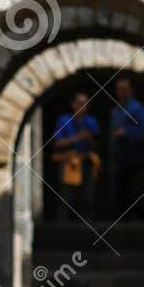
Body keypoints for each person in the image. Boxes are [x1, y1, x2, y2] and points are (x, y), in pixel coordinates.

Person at [51, 90, 100, 222]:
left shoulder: (91, 121)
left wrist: (89, 139)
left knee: (88, 196)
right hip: (69, 162)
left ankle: (87, 226)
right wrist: (77, 138)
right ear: (73, 104)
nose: (82, 106)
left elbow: (96, 143)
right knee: (66, 196)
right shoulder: (64, 120)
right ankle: (61, 227)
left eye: (85, 103)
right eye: (79, 103)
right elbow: (57, 143)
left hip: (86, 161)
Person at [110, 77, 144, 219]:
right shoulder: (116, 110)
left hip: (135, 156)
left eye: (124, 89)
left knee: (134, 191)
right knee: (119, 191)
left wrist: (126, 133)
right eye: (119, 90)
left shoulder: (137, 108)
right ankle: (123, 224)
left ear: (131, 91)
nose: (122, 92)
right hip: (119, 157)